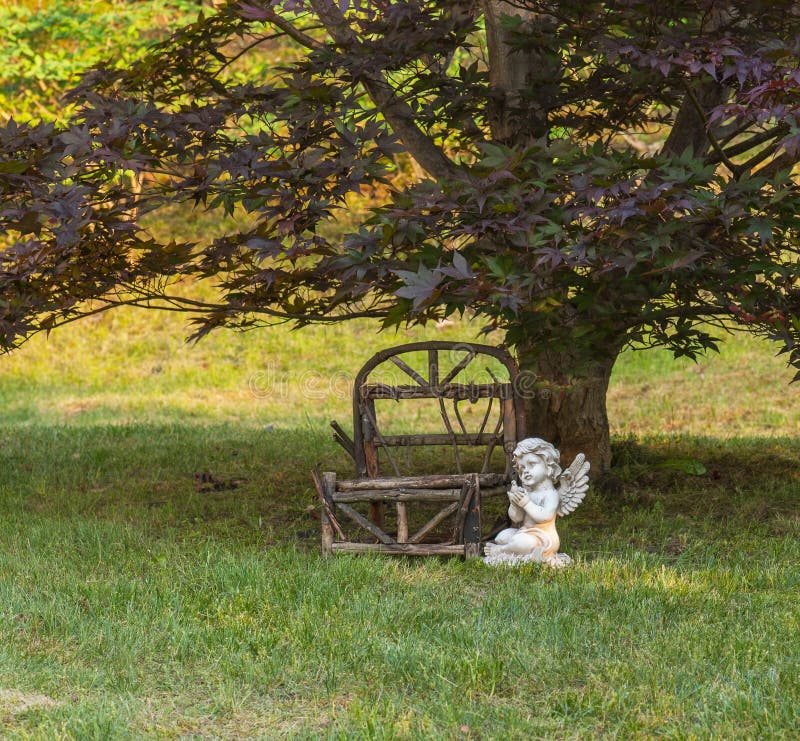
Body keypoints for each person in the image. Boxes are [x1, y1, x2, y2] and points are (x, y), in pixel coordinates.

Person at [484, 438, 563, 563]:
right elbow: (517, 518)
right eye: (522, 468)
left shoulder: (550, 494)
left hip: (543, 538)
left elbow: (545, 516)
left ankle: (500, 551)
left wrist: (526, 503)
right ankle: (510, 547)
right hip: (524, 532)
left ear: (548, 466)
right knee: (502, 536)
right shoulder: (528, 492)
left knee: (521, 542)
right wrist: (515, 503)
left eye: (532, 464)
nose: (525, 470)